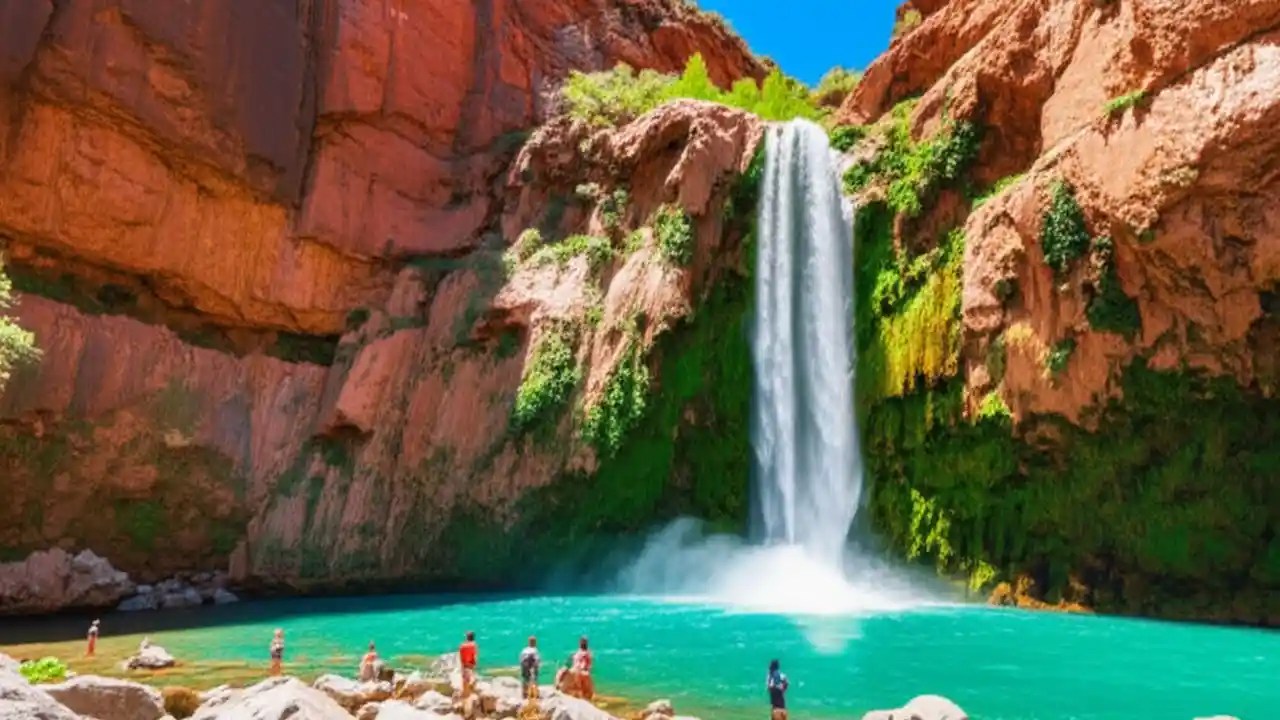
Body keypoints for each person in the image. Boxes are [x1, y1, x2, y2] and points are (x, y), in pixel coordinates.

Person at [572, 636, 594, 701]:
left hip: (576, 670)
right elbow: (584, 665)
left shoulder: (577, 653)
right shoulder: (587, 653)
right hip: (581, 672)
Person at [458, 631, 478, 697]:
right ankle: (468, 693)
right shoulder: (474, 645)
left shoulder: (462, 645)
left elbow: (461, 656)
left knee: (465, 681)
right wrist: (475, 664)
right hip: (471, 664)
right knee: (470, 678)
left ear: (467, 637)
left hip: (465, 664)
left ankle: (465, 695)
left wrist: (462, 665)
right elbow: (474, 656)